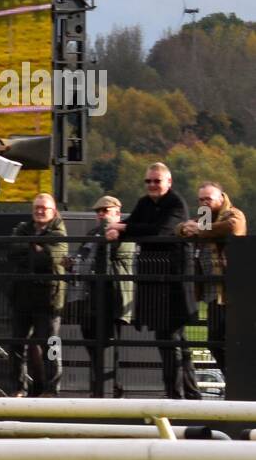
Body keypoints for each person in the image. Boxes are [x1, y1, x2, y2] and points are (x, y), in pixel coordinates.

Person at [108, 163, 199, 399]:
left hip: (174, 282)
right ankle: (186, 393)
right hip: (154, 279)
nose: (151, 185)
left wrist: (124, 228)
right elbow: (139, 226)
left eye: (156, 181)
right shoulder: (144, 203)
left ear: (168, 182)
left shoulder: (176, 204)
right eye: (148, 181)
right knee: (170, 338)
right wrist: (122, 229)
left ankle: (177, 394)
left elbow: (161, 232)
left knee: (171, 338)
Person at [178, 181, 246, 372]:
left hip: (231, 291)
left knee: (233, 341)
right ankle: (232, 379)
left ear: (220, 198)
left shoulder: (233, 213)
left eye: (208, 199)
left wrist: (199, 229)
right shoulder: (205, 216)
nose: (204, 203)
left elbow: (233, 227)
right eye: (200, 199)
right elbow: (183, 229)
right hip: (212, 293)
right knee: (214, 341)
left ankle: (239, 382)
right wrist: (186, 228)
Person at [70, 196, 135, 396]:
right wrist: (72, 263)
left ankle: (110, 388)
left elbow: (116, 256)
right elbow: (82, 258)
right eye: (98, 211)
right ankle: (99, 386)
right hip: (90, 297)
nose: (101, 215)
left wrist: (106, 238)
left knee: (109, 346)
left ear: (117, 211)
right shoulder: (92, 233)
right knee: (90, 341)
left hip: (113, 297)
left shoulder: (125, 232)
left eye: (105, 211)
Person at [6, 194, 67, 397]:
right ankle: (19, 388)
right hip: (22, 294)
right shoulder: (23, 228)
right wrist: (38, 248)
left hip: (49, 297)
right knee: (17, 344)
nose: (39, 211)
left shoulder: (59, 230)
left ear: (54, 210)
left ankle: (52, 389)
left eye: (44, 208)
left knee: (51, 343)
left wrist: (32, 250)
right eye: (36, 207)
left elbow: (53, 256)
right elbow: (14, 251)